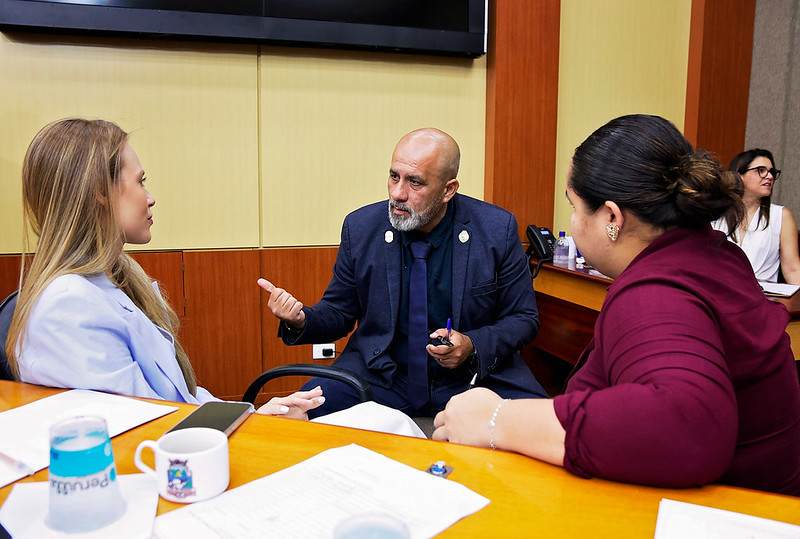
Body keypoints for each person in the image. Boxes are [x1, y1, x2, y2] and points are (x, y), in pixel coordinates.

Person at [432, 115, 800, 496]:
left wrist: (497, 420)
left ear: (612, 218)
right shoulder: (717, 254)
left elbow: (687, 427)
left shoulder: (655, 294)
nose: (573, 221)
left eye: (574, 207)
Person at [6, 118, 322, 419]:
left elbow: (179, 397)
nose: (150, 197)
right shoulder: (69, 306)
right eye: (140, 182)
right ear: (99, 192)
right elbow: (147, 427)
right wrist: (252, 425)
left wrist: (253, 415)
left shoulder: (114, 281)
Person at [259, 128, 547, 419]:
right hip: (381, 375)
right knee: (298, 415)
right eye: (394, 176)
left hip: (472, 379)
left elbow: (522, 319)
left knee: (538, 425)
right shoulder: (361, 228)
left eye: (415, 183)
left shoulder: (496, 229)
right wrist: (300, 319)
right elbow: (339, 311)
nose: (397, 193)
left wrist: (472, 345)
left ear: (448, 189)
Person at [711, 149, 800, 284]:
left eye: (772, 172)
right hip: (719, 292)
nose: (769, 176)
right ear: (739, 175)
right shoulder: (716, 213)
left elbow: (792, 269)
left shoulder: (781, 216)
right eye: (761, 170)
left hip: (764, 296)